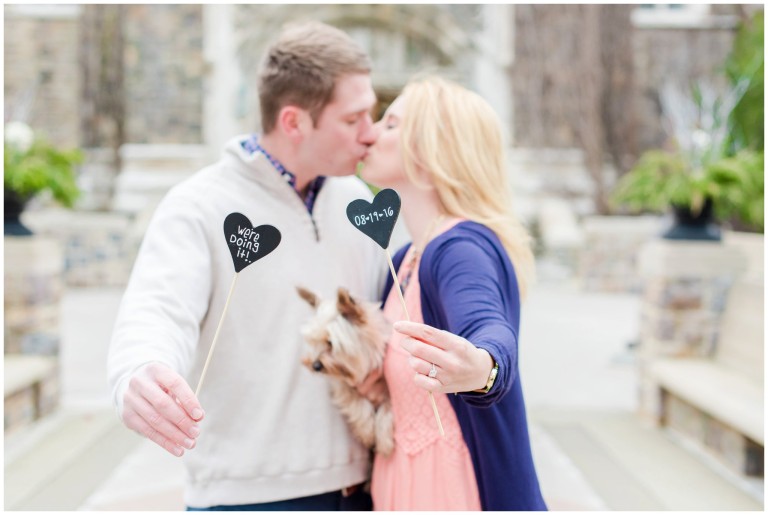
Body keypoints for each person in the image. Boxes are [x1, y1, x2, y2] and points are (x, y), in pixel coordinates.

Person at [107, 21, 387, 510]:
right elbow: (156, 310)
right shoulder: (198, 205)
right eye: (352, 120)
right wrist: (140, 370)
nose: (370, 134)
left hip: (361, 488)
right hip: (246, 496)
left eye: (373, 114)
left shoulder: (358, 200)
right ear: (295, 122)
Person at [359, 76, 548, 510]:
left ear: (427, 153)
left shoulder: (459, 248)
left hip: (451, 489)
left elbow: (487, 327)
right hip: (399, 482)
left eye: (390, 125)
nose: (370, 132)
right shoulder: (408, 255)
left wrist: (483, 366)